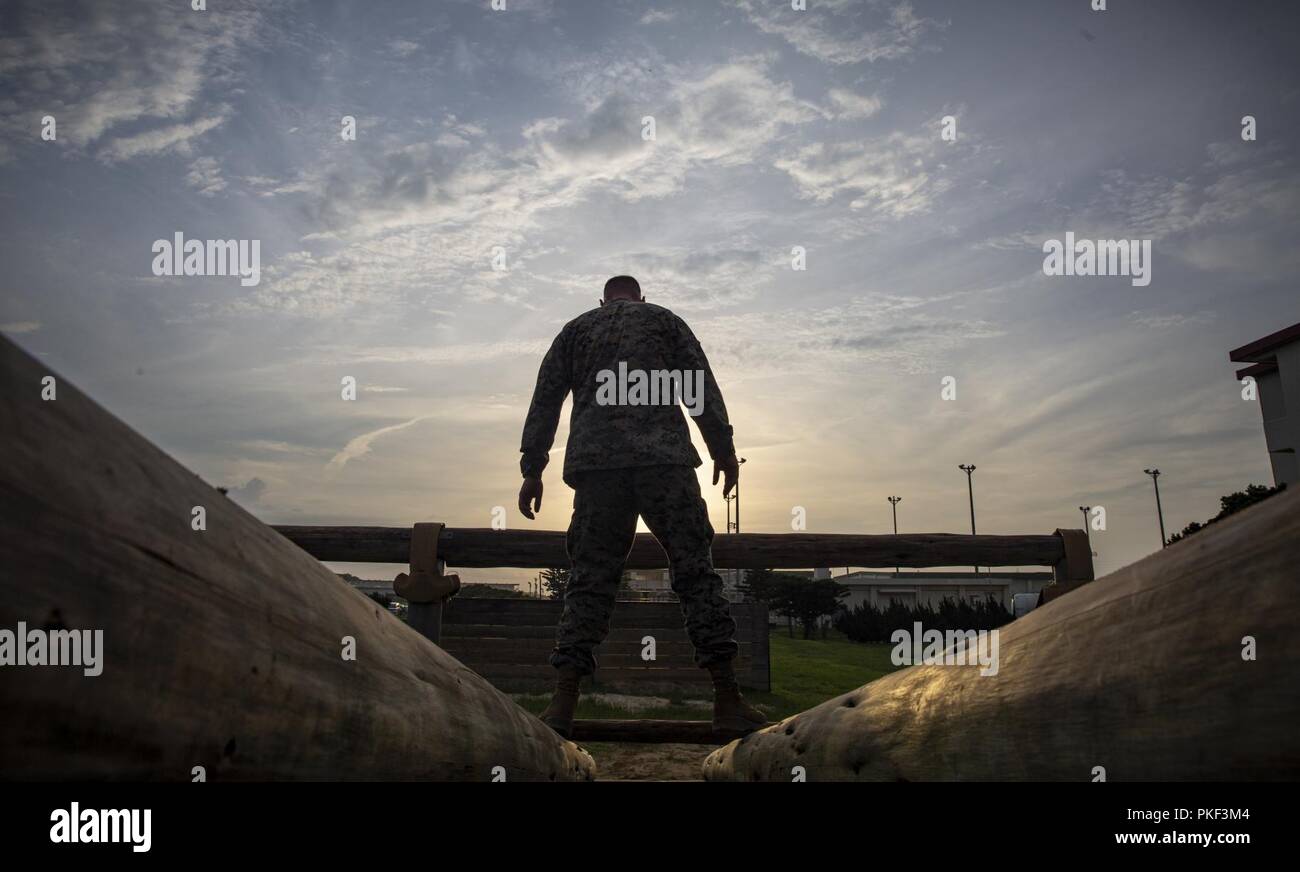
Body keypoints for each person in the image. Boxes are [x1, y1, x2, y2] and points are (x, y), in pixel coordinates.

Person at [517, 275, 766, 738]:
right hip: (664, 463)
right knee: (695, 569)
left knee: (590, 578)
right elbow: (699, 390)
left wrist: (533, 468)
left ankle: (563, 703)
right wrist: (723, 451)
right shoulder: (664, 321)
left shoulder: (576, 330)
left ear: (602, 299)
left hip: (598, 470)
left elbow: (546, 400)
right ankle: (727, 698)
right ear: (641, 297)